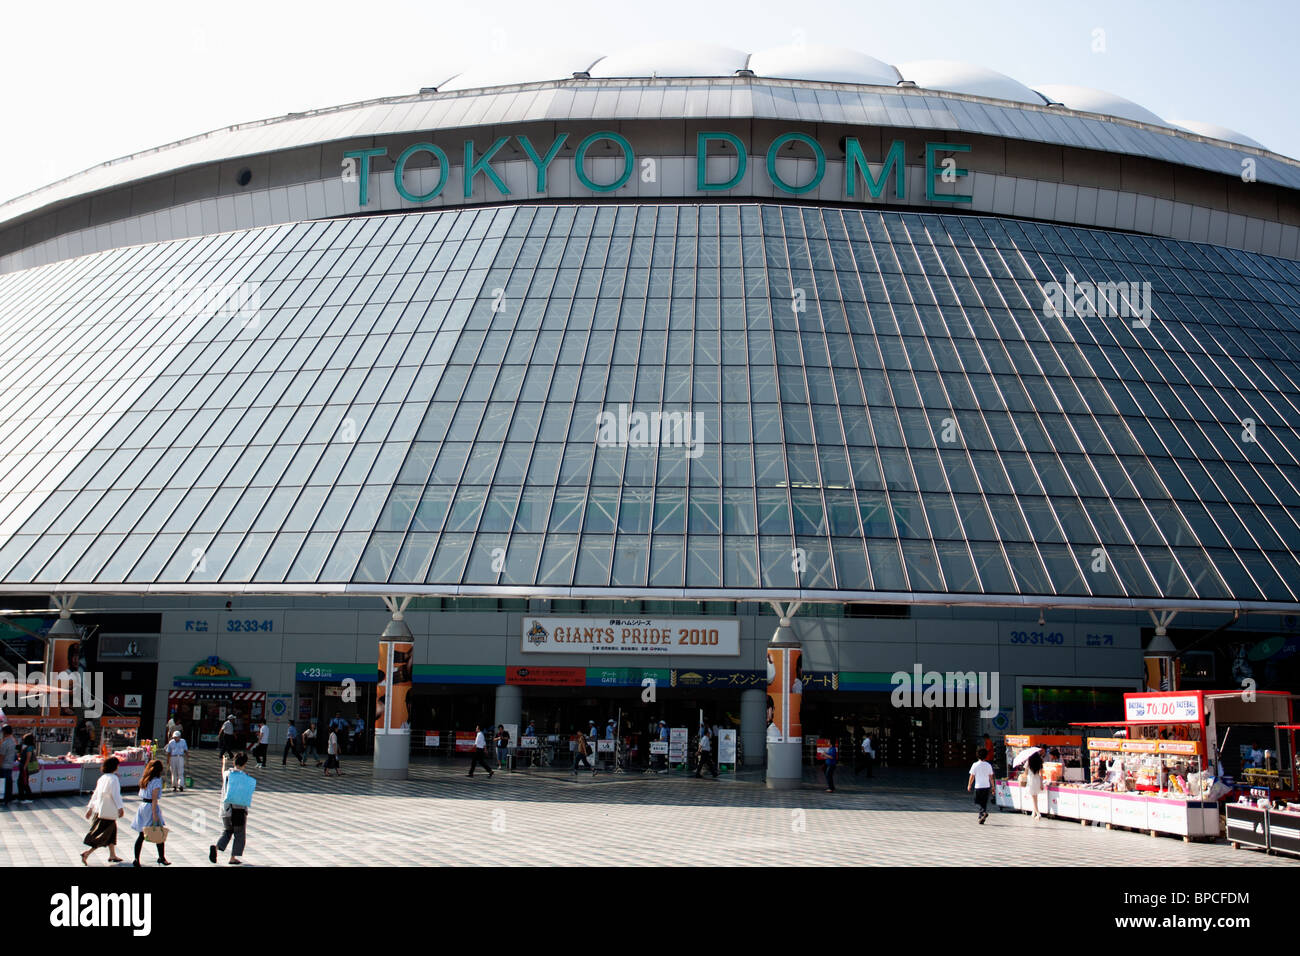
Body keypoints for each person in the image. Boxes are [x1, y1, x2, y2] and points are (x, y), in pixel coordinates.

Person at [80, 756, 125, 864]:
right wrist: (120, 808)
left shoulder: (103, 778)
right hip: (108, 812)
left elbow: (95, 794)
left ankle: (112, 855)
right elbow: (115, 795)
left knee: (112, 832)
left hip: (100, 810)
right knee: (103, 836)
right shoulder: (113, 779)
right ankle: (87, 853)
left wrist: (90, 808)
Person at [211, 752, 252, 864]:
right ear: (245, 764)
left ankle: (216, 847)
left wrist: (224, 763)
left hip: (225, 809)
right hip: (238, 810)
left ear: (234, 762)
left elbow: (223, 771)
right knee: (239, 834)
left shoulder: (227, 774)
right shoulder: (244, 777)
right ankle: (233, 858)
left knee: (227, 831)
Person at [130, 758, 169, 867]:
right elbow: (154, 798)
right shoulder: (157, 780)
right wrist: (155, 814)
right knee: (159, 832)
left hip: (142, 806)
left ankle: (136, 859)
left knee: (141, 835)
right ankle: (162, 857)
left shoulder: (145, 779)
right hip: (150, 807)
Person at [967, 748, 995, 824]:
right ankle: (982, 815)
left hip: (978, 786)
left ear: (977, 755)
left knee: (977, 801)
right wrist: (993, 787)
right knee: (984, 802)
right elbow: (991, 777)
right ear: (986, 756)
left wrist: (969, 785)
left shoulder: (975, 765)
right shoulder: (988, 765)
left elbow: (972, 776)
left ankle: (982, 813)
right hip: (986, 786)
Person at [17, 732, 36, 803]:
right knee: (20, 782)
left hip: (25, 767)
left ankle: (29, 797)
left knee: (24, 782)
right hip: (23, 766)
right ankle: (21, 797)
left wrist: (25, 767)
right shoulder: (26, 747)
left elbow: (28, 758)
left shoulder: (29, 748)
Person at [1024, 750, 1044, 820]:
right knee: (1035, 797)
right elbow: (1041, 774)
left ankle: (1038, 813)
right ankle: (1034, 812)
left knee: (1033, 798)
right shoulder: (1040, 761)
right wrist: (1041, 784)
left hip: (1031, 780)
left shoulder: (1028, 761)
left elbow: (1025, 773)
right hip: (1037, 780)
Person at [0, 725, 15, 807]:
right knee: (9, 783)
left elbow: (2, 756)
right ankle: (8, 798)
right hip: (10, 765)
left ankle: (3, 799)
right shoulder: (12, 742)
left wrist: (0, 765)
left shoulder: (5, 743)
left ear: (4, 732)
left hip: (4, 766)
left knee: (3, 783)